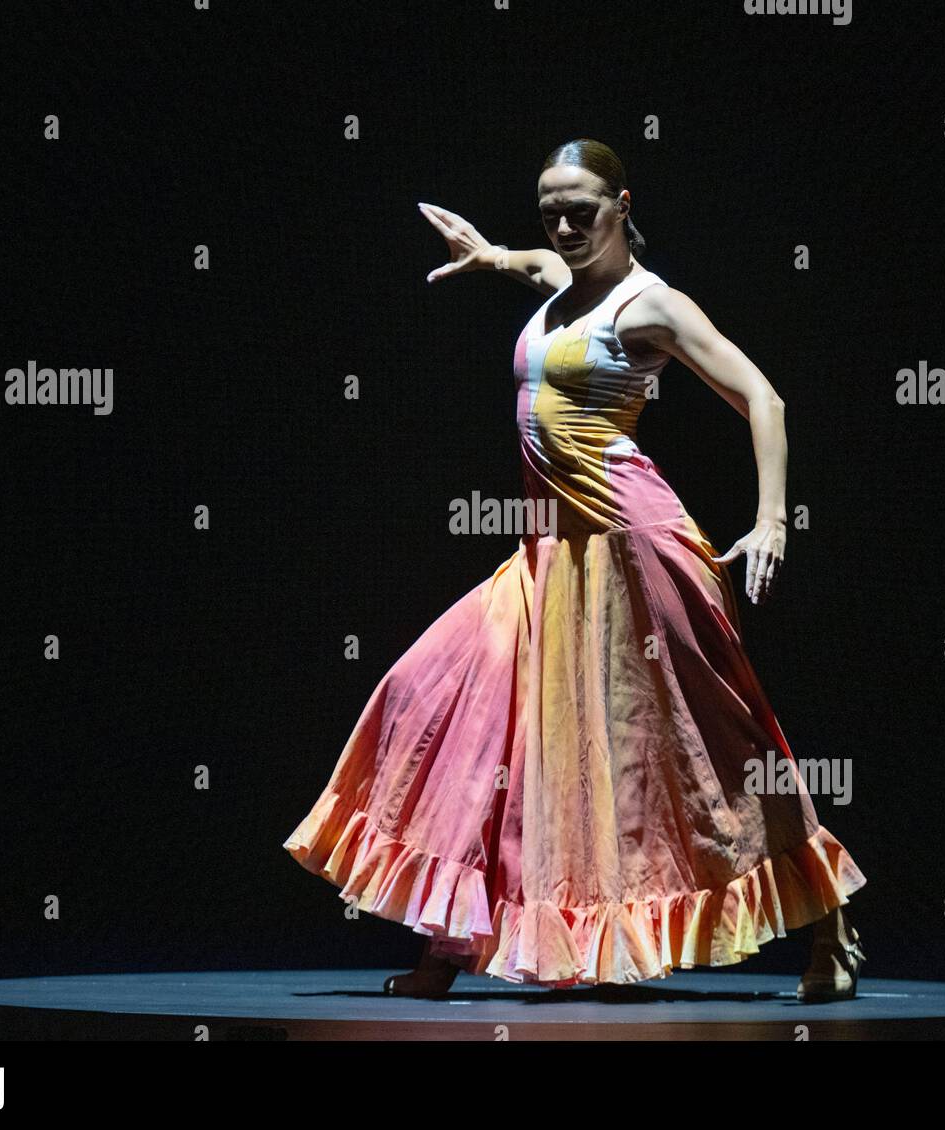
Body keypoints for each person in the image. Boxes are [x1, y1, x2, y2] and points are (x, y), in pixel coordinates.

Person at [284, 138, 866, 1001]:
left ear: (623, 206)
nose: (561, 225)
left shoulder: (650, 308)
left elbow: (763, 397)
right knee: (457, 713)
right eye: (550, 209)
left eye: (581, 210)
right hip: (547, 557)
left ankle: (832, 931)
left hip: (634, 554)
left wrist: (772, 519)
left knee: (715, 750)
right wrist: (488, 256)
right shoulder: (564, 283)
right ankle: (450, 944)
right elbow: (536, 266)